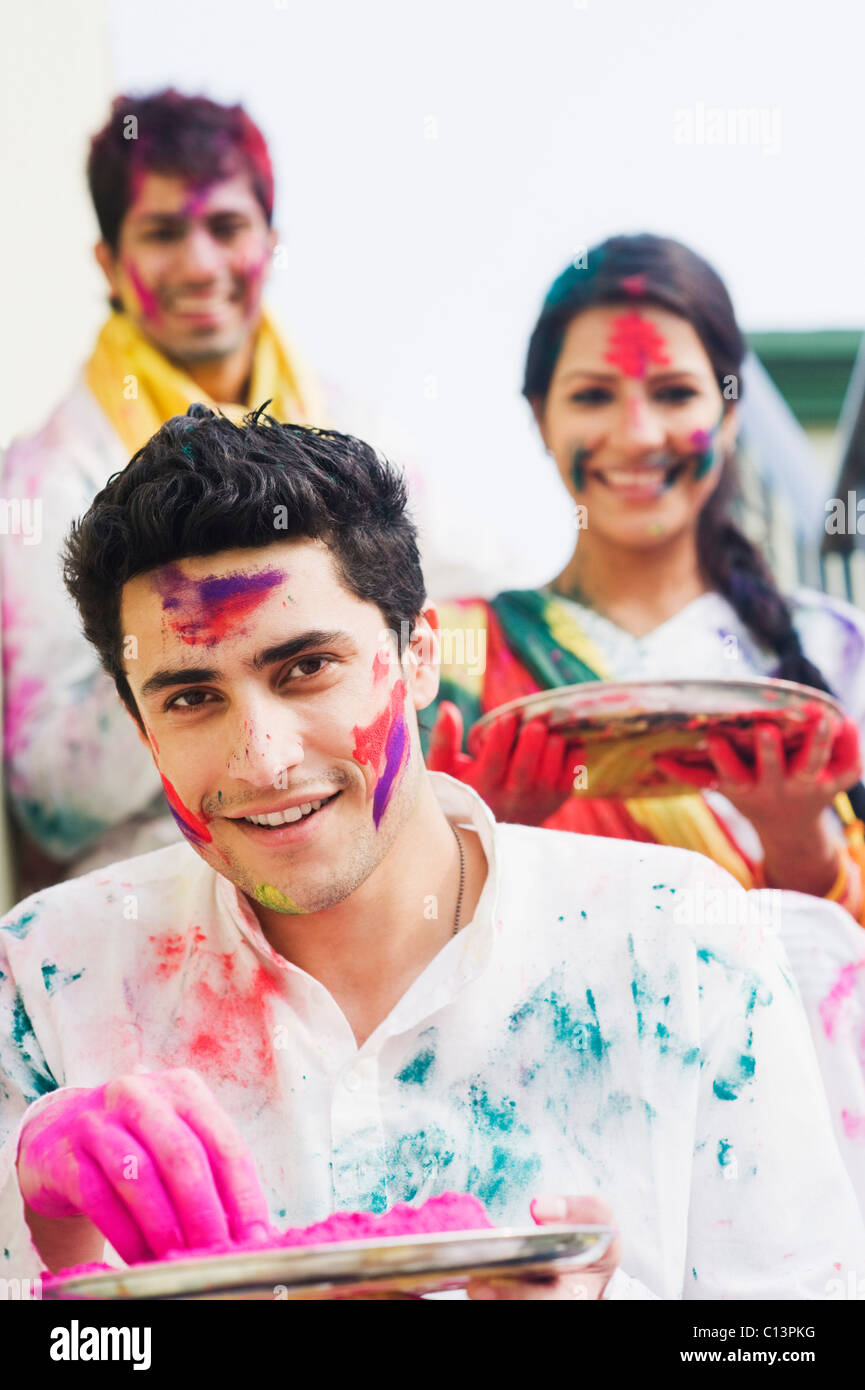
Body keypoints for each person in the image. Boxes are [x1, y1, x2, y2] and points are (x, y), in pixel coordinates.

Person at [0, 406, 862, 1300]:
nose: (264, 759)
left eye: (306, 668)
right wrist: (47, 1226)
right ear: (141, 727)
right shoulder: (49, 978)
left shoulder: (679, 941)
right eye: (189, 698)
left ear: (417, 657)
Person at [1, 88, 476, 888]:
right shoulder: (41, 483)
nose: (198, 264)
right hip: (164, 908)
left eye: (225, 227)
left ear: (269, 242)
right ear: (109, 263)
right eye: (160, 233)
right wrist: (216, 652)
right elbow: (53, 800)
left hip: (375, 881)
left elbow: (451, 623)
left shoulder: (357, 429)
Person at [426, 234, 865, 919]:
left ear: (728, 414)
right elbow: (383, 939)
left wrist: (798, 840)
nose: (636, 434)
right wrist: (478, 843)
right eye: (593, 395)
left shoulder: (836, 651)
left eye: (673, 393)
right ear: (540, 415)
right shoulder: (450, 652)